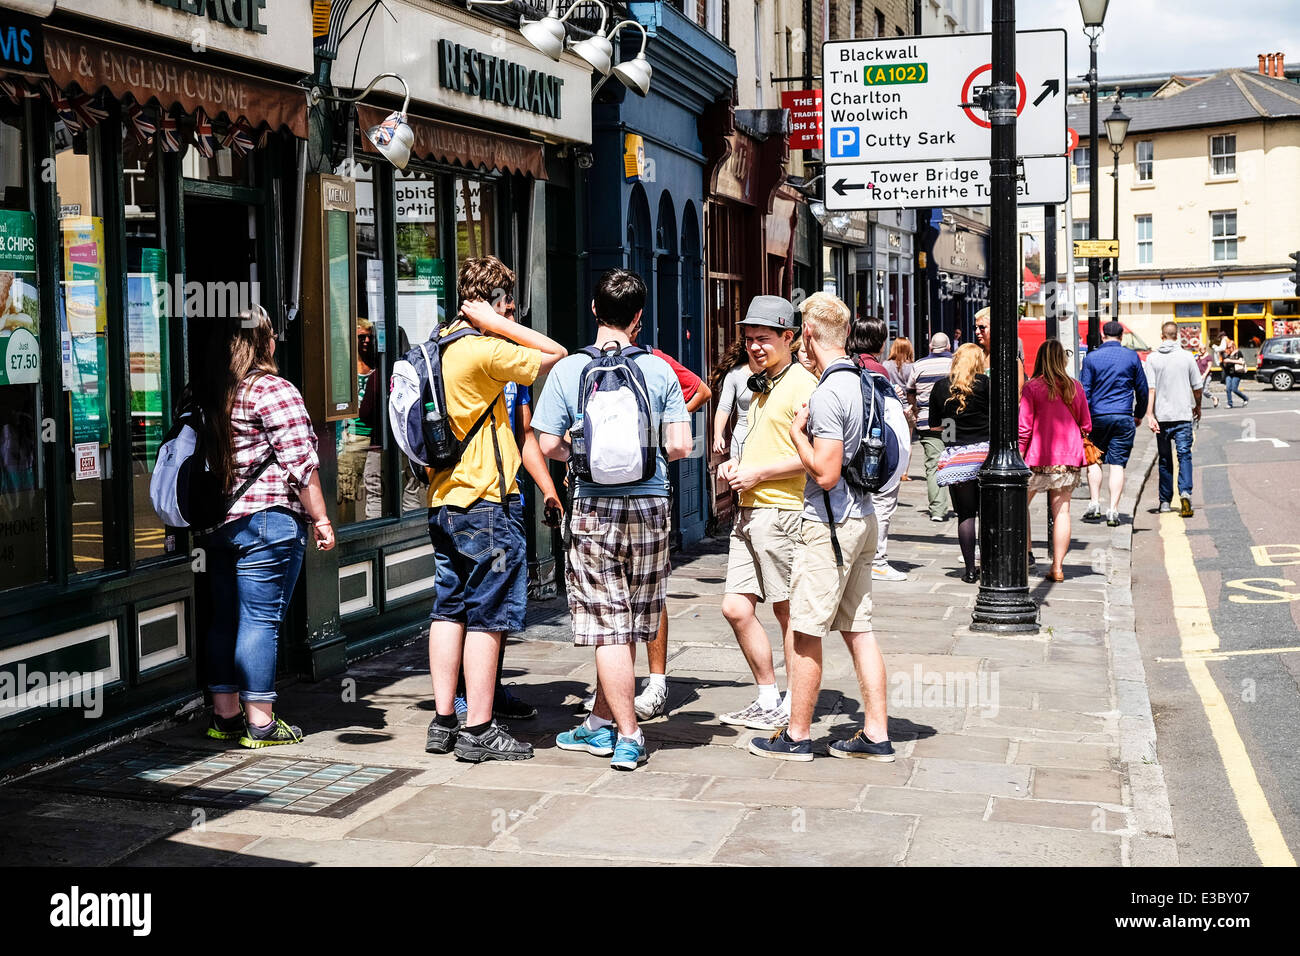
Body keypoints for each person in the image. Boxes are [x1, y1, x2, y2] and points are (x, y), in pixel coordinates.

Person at [533, 269, 692, 771]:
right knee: (632, 626)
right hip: (649, 507)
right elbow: (679, 446)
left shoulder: (568, 370)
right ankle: (609, 728)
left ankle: (621, 734)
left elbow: (545, 444)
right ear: (639, 317)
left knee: (608, 629)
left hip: (594, 509)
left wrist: (581, 453)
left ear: (595, 311)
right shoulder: (660, 370)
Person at [423, 255, 567, 763]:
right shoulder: (482, 350)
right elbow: (555, 352)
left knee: (449, 609)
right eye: (509, 305)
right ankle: (480, 729)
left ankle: (444, 722)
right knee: (489, 614)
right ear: (496, 304)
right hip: (484, 503)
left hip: (443, 501)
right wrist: (496, 323)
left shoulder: (437, 344)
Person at [749, 291, 893, 763]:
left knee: (805, 631)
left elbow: (826, 472)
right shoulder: (863, 380)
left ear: (807, 333)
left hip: (830, 523)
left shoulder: (829, 392)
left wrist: (796, 435)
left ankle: (798, 736)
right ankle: (875, 734)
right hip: (863, 516)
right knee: (859, 629)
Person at [196, 306, 335, 748]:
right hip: (267, 523)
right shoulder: (273, 390)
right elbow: (302, 465)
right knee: (260, 619)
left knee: (224, 619)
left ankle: (226, 716)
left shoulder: (213, 392)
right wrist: (322, 518)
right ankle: (261, 722)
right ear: (266, 343)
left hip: (219, 524)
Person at [716, 295, 817, 732]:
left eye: (764, 339)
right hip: (748, 511)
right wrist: (736, 467)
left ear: (789, 338)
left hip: (782, 511)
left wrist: (759, 473)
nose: (755, 347)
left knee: (786, 611)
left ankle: (795, 701)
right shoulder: (761, 383)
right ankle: (766, 696)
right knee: (736, 608)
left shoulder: (803, 386)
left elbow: (818, 457)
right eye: (750, 339)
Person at [1020, 339, 1092, 582]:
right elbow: (1087, 424)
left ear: (1039, 359)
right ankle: (1058, 567)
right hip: (1069, 457)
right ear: (1063, 359)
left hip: (1038, 456)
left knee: (1019, 505)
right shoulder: (1075, 387)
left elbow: (1024, 427)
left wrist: (1019, 453)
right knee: (1062, 511)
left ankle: (1027, 554)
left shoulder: (1032, 388)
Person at [849, 314, 909, 582]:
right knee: (882, 504)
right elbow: (889, 415)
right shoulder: (878, 370)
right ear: (880, 342)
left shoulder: (846, 365)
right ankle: (877, 559)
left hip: (849, 446)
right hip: (874, 448)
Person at [929, 344, 991, 583]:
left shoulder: (941, 387)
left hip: (957, 456)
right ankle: (987, 566)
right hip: (985, 453)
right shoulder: (985, 385)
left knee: (965, 515)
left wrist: (953, 430)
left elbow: (937, 426)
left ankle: (969, 570)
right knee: (988, 514)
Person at [1080, 320, 1149, 528]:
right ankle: (1113, 510)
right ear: (1121, 337)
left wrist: (1085, 419)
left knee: (1094, 460)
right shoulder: (1131, 357)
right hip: (1123, 416)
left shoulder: (1091, 358)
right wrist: (1139, 413)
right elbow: (1142, 389)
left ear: (1103, 336)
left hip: (1097, 417)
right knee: (1117, 464)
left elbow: (1085, 392)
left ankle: (1094, 504)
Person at [1145, 321, 1203, 517]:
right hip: (1182, 416)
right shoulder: (1187, 357)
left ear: (1162, 336)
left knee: (1164, 459)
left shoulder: (1152, 359)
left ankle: (1164, 502)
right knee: (1184, 455)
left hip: (1162, 416)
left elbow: (1150, 389)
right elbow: (1197, 386)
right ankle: (1185, 493)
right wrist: (1198, 406)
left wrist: (1150, 414)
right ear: (1176, 336)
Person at [338, 319, 383, 521]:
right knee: (346, 488)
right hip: (352, 436)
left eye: (369, 337)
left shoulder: (378, 366)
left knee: (375, 488)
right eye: (361, 337)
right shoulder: (344, 366)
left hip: (374, 437)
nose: (366, 341)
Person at [907, 332, 955, 522]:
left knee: (933, 465)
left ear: (930, 347)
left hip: (927, 421)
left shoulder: (918, 365)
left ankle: (937, 510)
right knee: (953, 460)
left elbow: (910, 392)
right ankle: (960, 505)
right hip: (950, 421)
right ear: (949, 347)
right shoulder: (955, 363)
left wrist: (917, 410)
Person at [711, 337, 761, 462]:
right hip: (742, 436)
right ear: (746, 347)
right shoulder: (735, 374)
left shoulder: (776, 373)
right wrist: (718, 435)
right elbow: (724, 407)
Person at [973, 306, 1025, 395]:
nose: (977, 332)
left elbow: (1018, 393)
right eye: (975, 328)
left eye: (982, 327)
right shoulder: (974, 356)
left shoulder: (1010, 359)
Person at [1221, 340, 1249, 408]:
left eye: (1230, 347)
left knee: (1234, 389)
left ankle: (1245, 398)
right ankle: (1230, 403)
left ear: (1234, 346)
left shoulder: (1238, 353)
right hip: (1228, 373)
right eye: (1228, 347)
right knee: (1228, 389)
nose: (1229, 348)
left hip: (1237, 373)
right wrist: (1224, 363)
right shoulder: (1227, 354)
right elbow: (1224, 363)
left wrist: (1230, 360)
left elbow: (1241, 362)